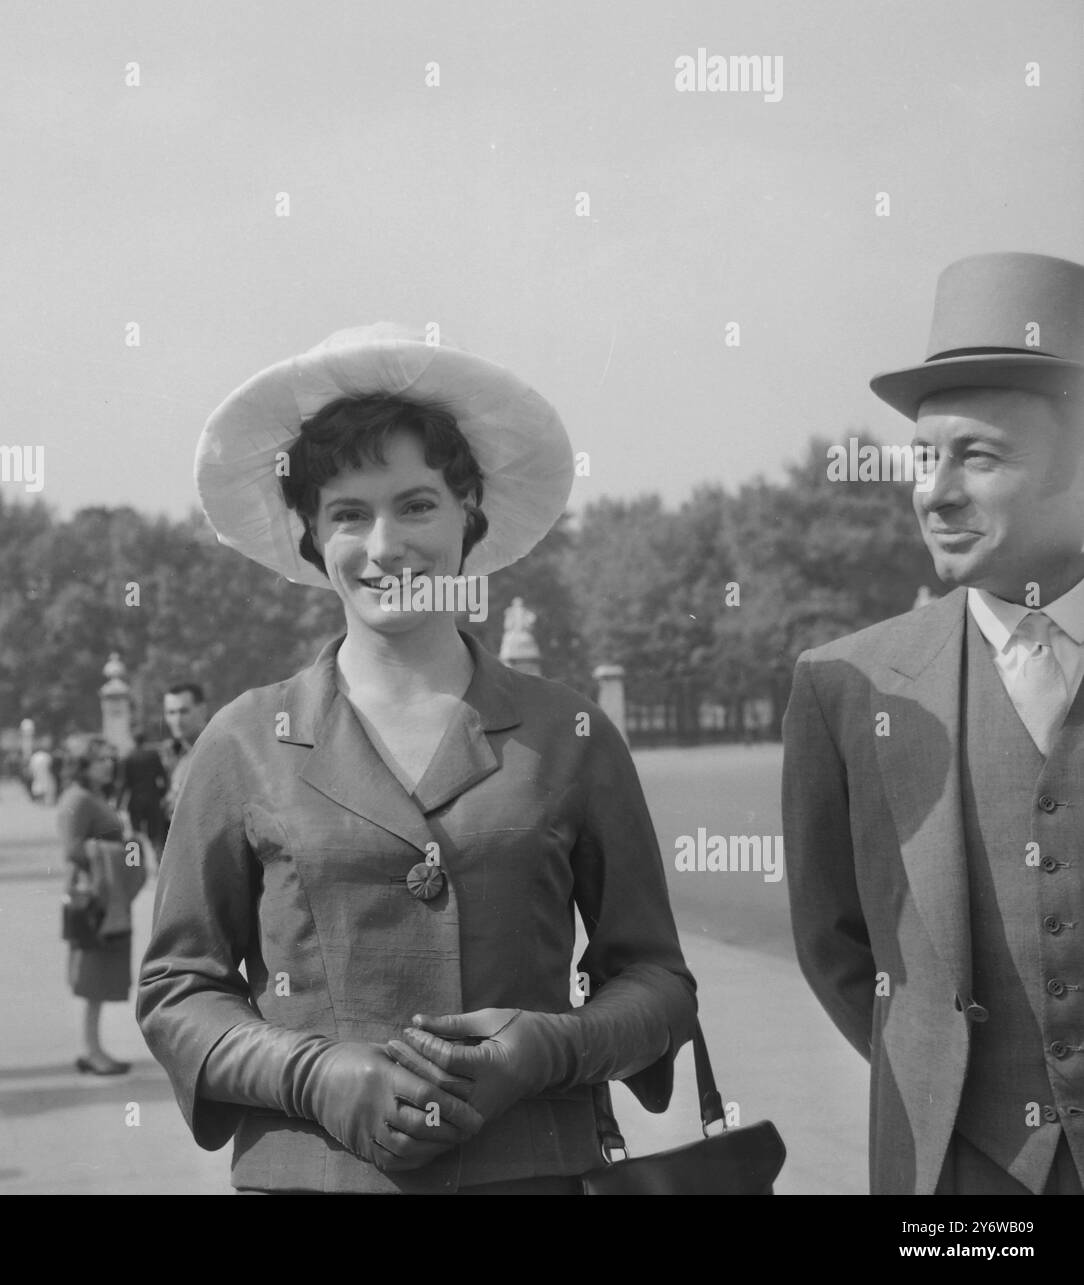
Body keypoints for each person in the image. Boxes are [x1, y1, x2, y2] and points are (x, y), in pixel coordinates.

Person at [138, 324, 697, 1193]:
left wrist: (552, 1045)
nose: (386, 543)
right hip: (310, 1176)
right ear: (312, 537)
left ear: (469, 513)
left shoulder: (570, 733)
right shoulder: (244, 739)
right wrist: (311, 1074)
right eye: (349, 513)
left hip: (535, 1173)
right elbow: (178, 989)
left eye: (417, 503)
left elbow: (655, 981)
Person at [783, 252, 1084, 1194]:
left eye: (979, 456)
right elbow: (836, 948)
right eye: (925, 456)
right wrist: (939, 1073)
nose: (935, 491)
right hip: (956, 1182)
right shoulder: (847, 685)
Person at [57, 735, 141, 1075]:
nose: (108, 764)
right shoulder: (77, 800)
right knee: (93, 975)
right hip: (94, 899)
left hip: (106, 896)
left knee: (100, 973)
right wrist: (117, 853)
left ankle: (93, 1047)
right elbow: (73, 850)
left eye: (109, 758)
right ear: (82, 767)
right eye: (99, 760)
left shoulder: (95, 797)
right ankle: (92, 1050)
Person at [158, 682, 206, 843]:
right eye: (171, 712)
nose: (177, 719)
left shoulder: (216, 748)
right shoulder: (176, 755)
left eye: (184, 711)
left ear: (202, 710)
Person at [116, 731, 168, 865]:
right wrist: (162, 793)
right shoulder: (153, 755)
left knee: (135, 833)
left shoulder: (128, 757)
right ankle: (159, 863)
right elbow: (162, 775)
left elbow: (124, 783)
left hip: (135, 800)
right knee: (156, 833)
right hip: (153, 798)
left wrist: (119, 803)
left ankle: (134, 863)